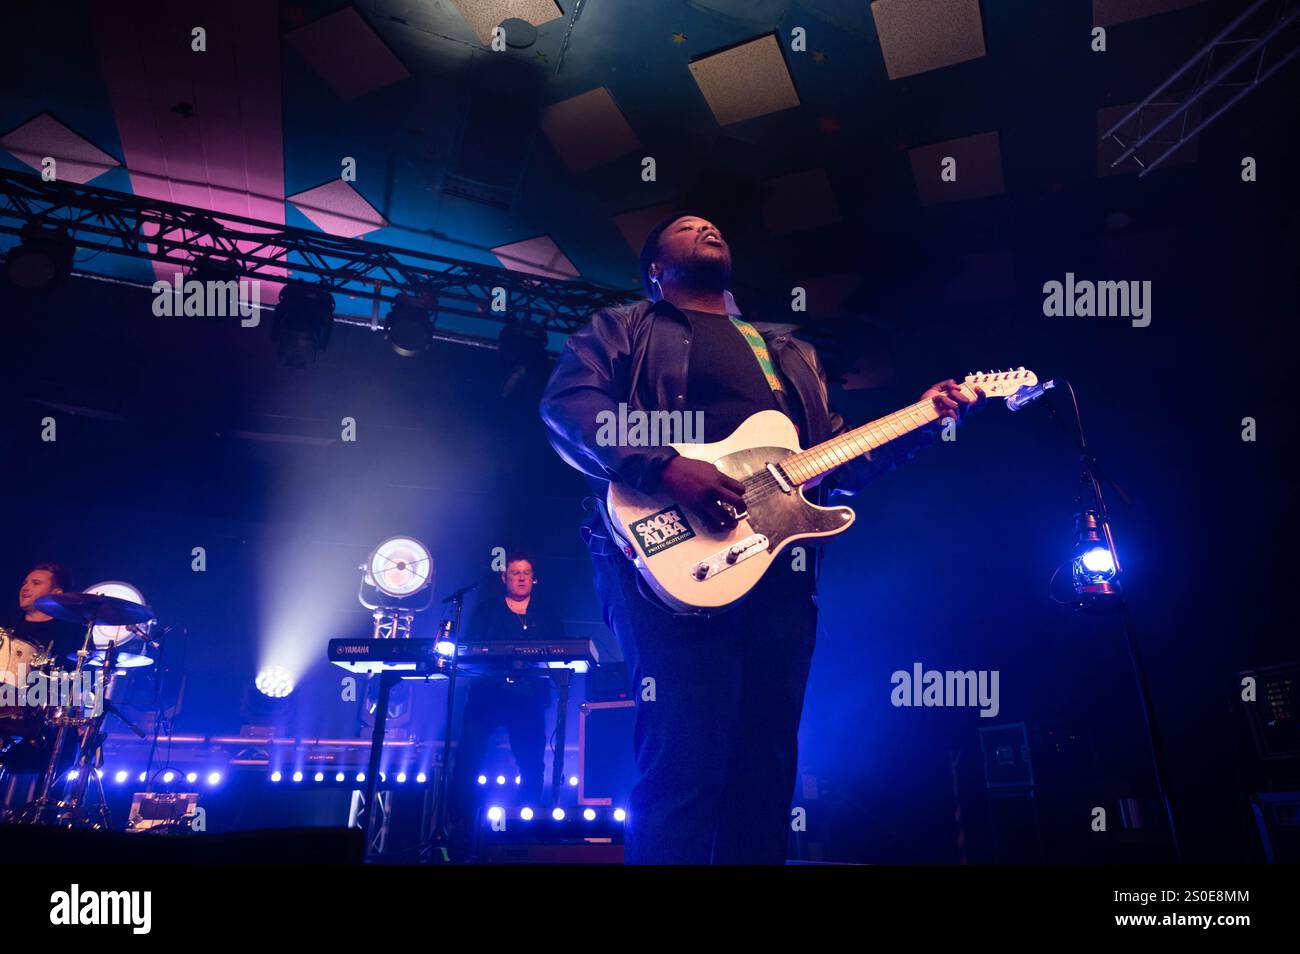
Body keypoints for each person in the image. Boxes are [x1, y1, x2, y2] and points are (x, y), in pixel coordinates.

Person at [539, 213, 982, 863]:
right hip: (662, 558)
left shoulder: (787, 352)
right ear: (655, 270)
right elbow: (570, 409)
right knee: (684, 759)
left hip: (778, 570)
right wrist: (664, 464)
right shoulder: (625, 327)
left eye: (713, 225)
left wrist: (921, 421)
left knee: (767, 767)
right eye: (686, 227)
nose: (706, 227)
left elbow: (839, 463)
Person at [446, 551, 562, 850]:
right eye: (515, 573)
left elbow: (560, 652)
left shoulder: (547, 612)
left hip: (529, 699)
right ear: (504, 578)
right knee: (468, 759)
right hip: (488, 695)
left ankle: (529, 825)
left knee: (532, 762)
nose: (522, 577)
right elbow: (472, 649)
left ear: (534, 578)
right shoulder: (488, 610)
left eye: (526, 572)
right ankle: (458, 824)